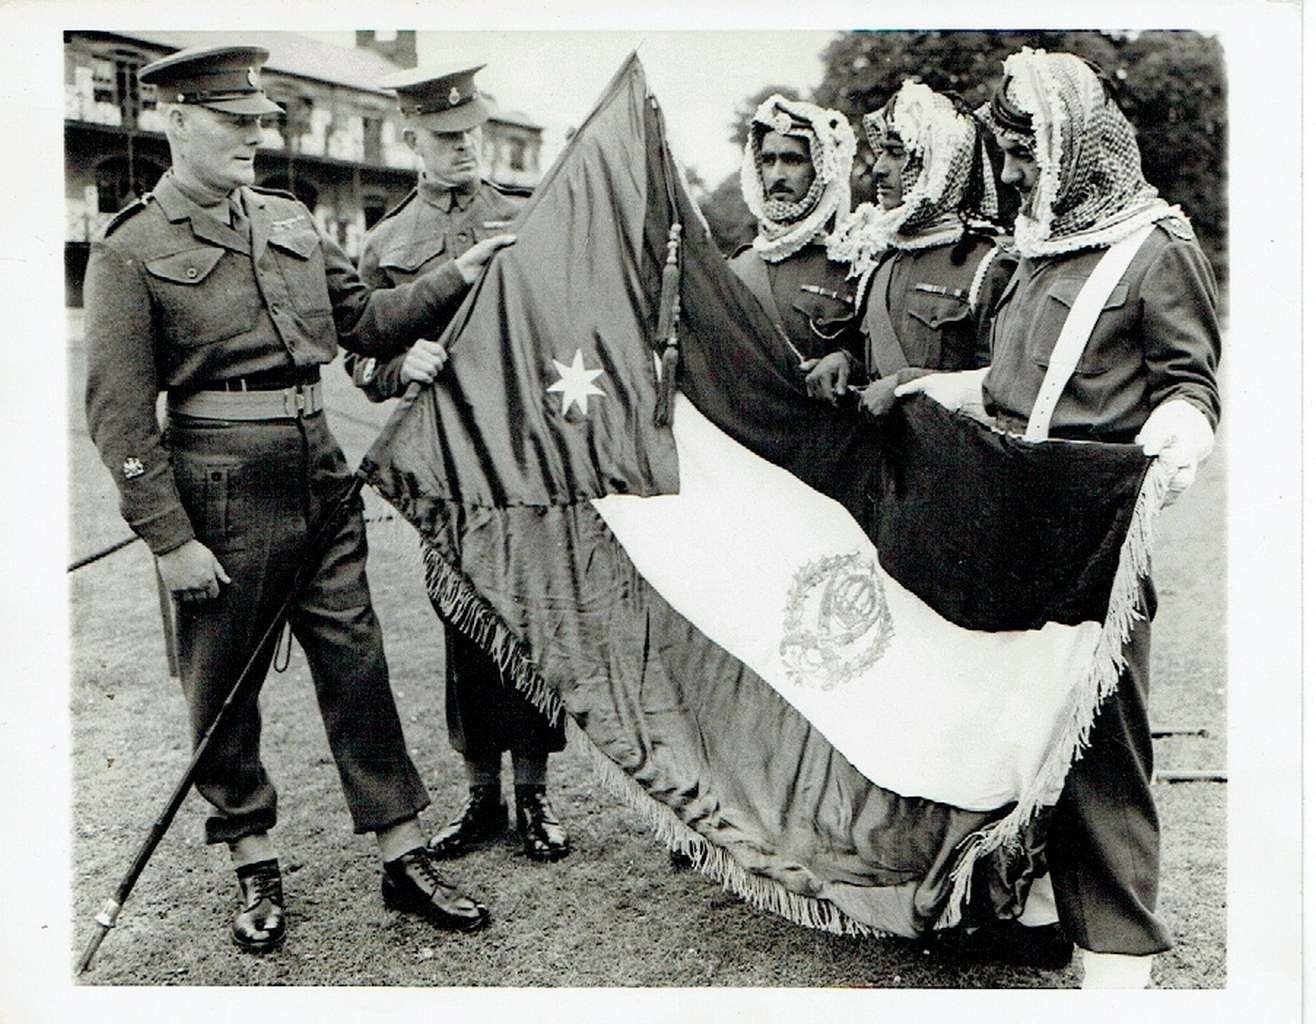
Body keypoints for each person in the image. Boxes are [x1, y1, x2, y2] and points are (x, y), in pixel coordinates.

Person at [83, 45, 516, 952]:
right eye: (233, 123)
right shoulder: (131, 249)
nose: (253, 138)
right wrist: (168, 538)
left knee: (357, 664)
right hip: (216, 484)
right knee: (222, 688)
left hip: (320, 470)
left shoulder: (287, 220)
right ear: (176, 121)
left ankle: (401, 856)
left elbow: (367, 323)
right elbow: (120, 421)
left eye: (257, 123)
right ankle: (253, 862)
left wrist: (460, 274)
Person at [897, 48, 1221, 988]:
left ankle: (1117, 965)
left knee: (1101, 755)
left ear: (1078, 148)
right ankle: (1034, 906)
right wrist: (925, 387)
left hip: (1093, 540)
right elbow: (1011, 387)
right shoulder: (1033, 253)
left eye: (1033, 154)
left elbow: (1190, 386)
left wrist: (1173, 444)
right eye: (1012, 157)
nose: (1021, 175)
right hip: (1006, 519)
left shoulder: (1158, 248)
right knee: (1015, 730)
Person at [342, 64, 570, 864]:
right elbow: (359, 359)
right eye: (445, 136)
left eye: (472, 131)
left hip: (522, 457)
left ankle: (537, 799)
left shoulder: (528, 216)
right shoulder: (385, 242)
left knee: (531, 622)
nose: (464, 146)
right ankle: (481, 801)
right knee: (464, 630)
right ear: (412, 140)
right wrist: (400, 366)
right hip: (443, 470)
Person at [806, 80, 1016, 417]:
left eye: (897, 152)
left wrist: (908, 383)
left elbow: (1008, 389)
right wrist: (845, 362)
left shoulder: (989, 266)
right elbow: (875, 366)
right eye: (882, 152)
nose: (879, 169)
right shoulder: (883, 264)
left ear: (938, 162)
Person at [729, 94, 864, 367]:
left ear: (820, 167)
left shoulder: (857, 264)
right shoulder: (737, 267)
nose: (777, 175)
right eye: (768, 160)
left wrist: (847, 362)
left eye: (792, 160)